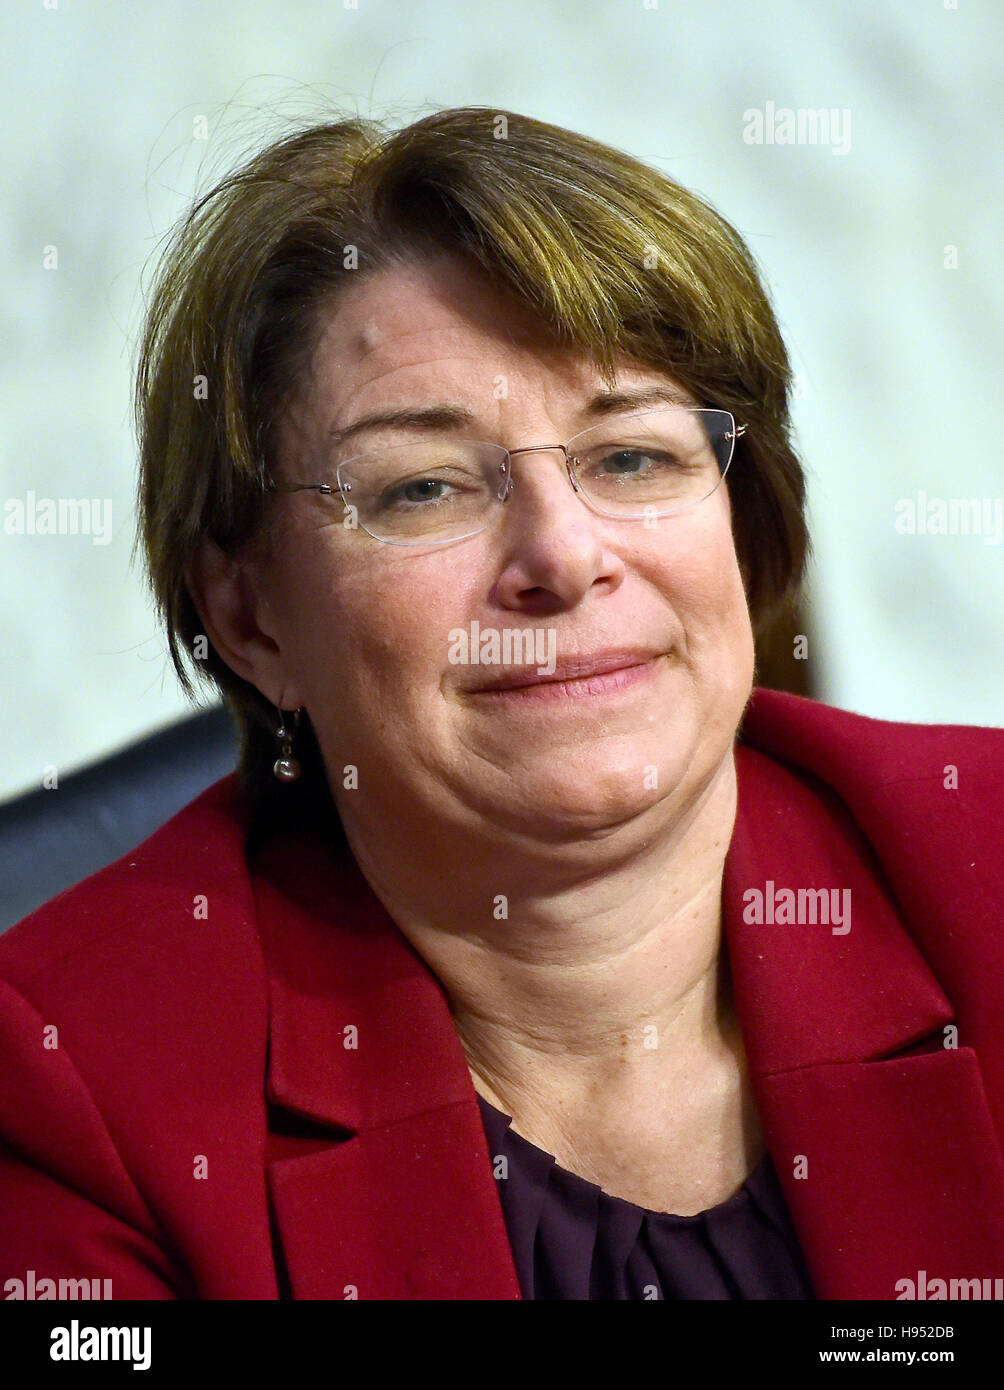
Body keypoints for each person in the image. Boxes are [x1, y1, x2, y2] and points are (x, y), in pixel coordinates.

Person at [1, 106, 1001, 1302]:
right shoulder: (74, 1081)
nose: (563, 555)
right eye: (423, 486)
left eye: (632, 457)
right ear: (252, 617)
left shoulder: (974, 862)